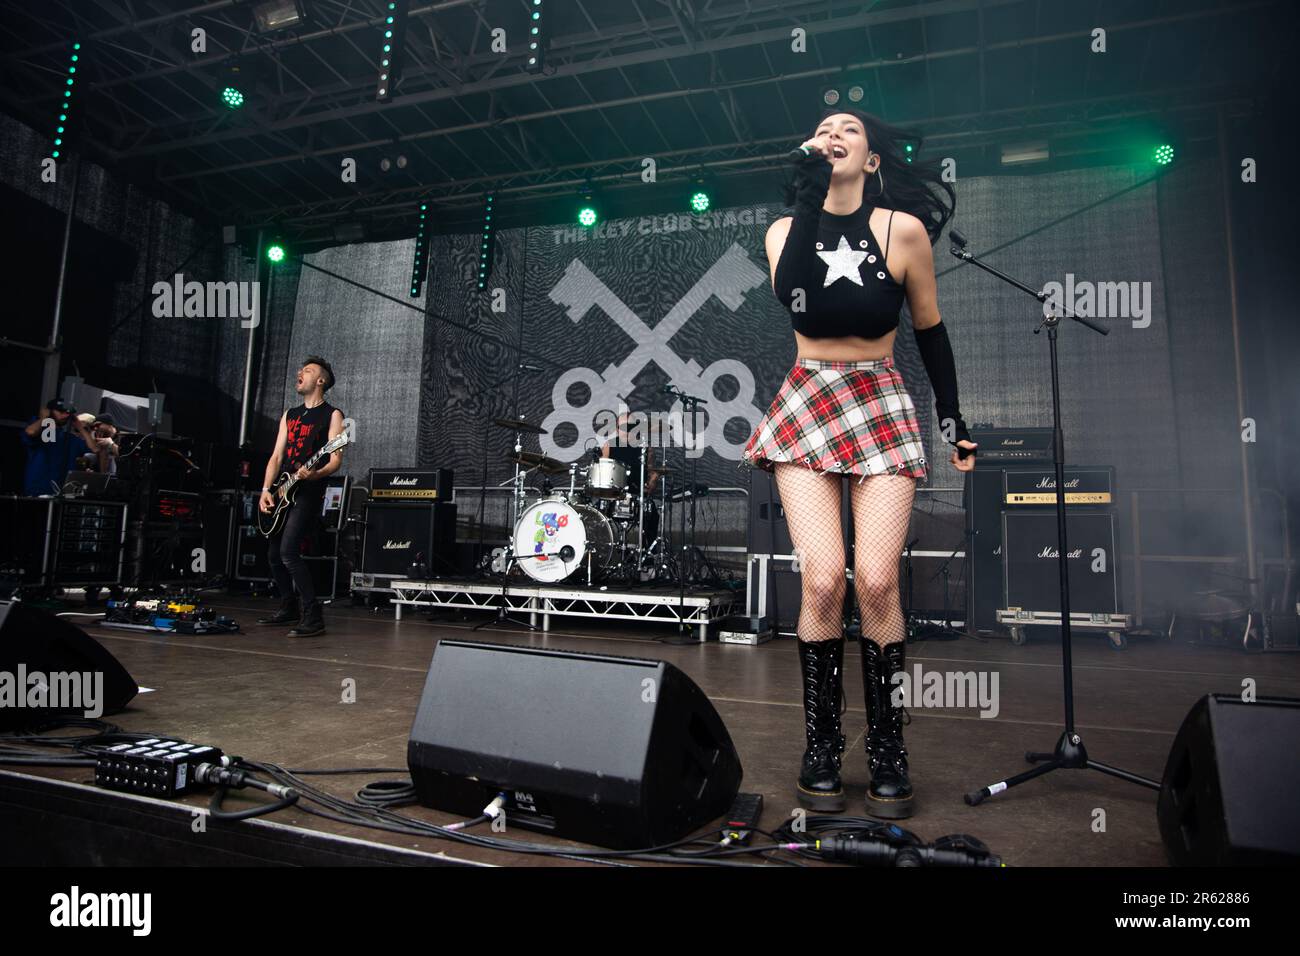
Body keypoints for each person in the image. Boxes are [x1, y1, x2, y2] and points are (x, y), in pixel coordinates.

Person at [743, 108, 977, 819]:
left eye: (848, 128)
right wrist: (813, 198)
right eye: (822, 128)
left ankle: (886, 747)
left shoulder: (901, 232)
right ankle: (821, 746)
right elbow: (799, 303)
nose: (833, 133)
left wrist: (953, 419)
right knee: (821, 582)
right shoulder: (786, 230)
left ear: (871, 158)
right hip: (809, 397)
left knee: (875, 580)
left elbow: (930, 330)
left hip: (879, 400)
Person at [257, 356, 345, 637]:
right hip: (283, 487)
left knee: (288, 551)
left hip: (308, 490)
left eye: (307, 371)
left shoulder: (332, 415)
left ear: (321, 381)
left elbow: (334, 460)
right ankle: (288, 606)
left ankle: (313, 615)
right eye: (300, 370)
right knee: (273, 554)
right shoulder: (289, 414)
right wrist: (265, 490)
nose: (300, 373)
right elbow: (276, 456)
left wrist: (316, 474)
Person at [21, 398, 93, 495]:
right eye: (61, 411)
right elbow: (31, 432)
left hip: (61, 492)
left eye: (68, 413)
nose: (66, 415)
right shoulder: (42, 430)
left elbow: (94, 448)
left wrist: (80, 427)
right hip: (38, 490)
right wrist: (44, 418)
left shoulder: (69, 438)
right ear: (49, 411)